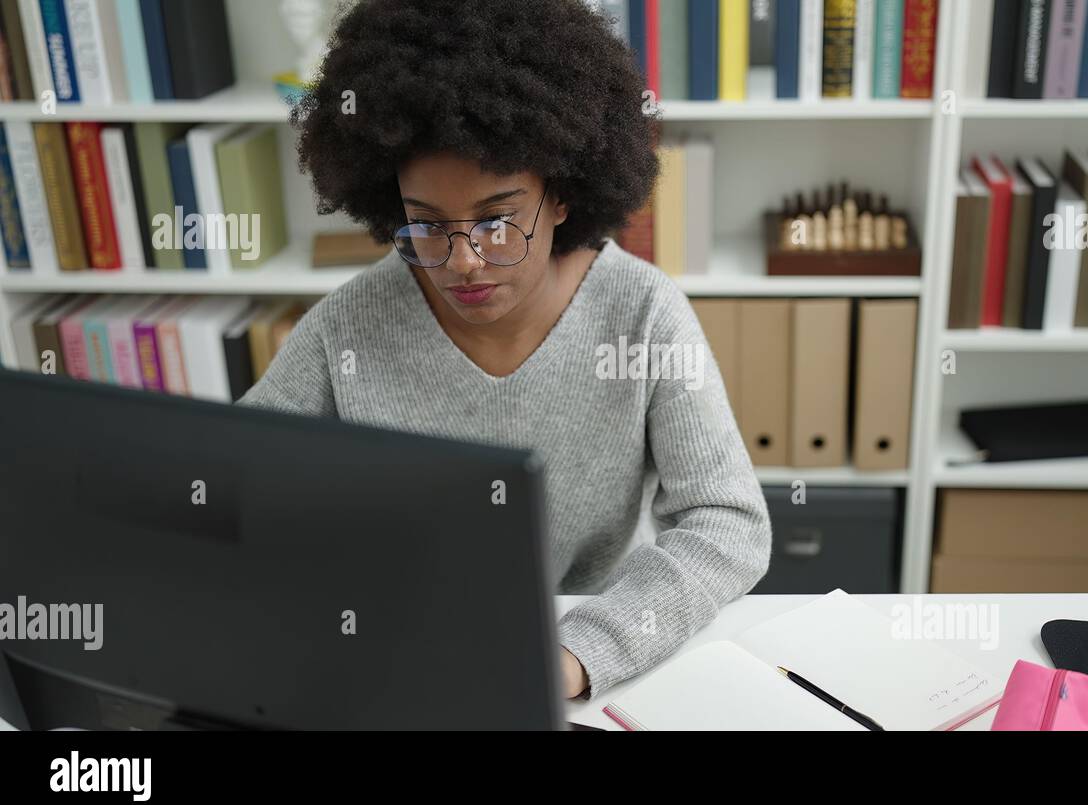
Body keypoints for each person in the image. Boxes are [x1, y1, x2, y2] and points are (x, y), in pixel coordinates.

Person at [239, 0, 771, 700]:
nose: (462, 262)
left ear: (561, 194)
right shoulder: (348, 327)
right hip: (400, 655)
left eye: (496, 220)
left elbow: (727, 523)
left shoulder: (642, 315)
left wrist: (580, 653)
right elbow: (235, 484)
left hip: (591, 665)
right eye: (426, 225)